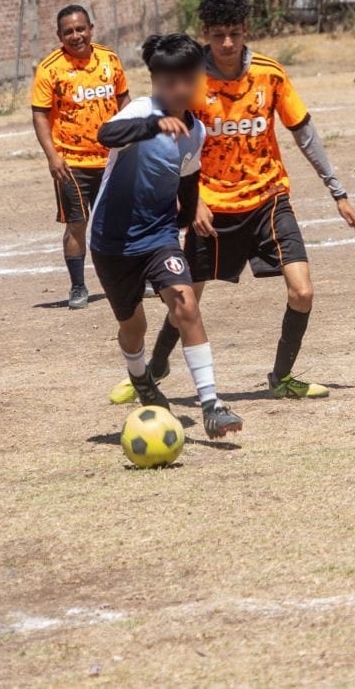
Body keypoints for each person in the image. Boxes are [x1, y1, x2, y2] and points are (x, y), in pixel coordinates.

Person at [109, 0, 355, 406]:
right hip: (212, 206)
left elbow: (304, 133)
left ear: (246, 30)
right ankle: (153, 370)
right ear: (205, 33)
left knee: (303, 292)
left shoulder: (269, 74)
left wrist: (339, 192)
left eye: (235, 33)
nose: (227, 43)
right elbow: (170, 146)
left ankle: (281, 377)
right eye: (218, 34)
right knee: (183, 301)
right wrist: (190, 203)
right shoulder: (190, 82)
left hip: (268, 199)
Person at [90, 33, 242, 440]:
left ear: (199, 79)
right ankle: (141, 378)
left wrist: (188, 218)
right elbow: (106, 135)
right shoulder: (142, 110)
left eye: (186, 80)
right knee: (133, 326)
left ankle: (211, 404)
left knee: (185, 303)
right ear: (155, 81)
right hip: (112, 240)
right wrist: (152, 124)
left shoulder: (196, 132)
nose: (178, 90)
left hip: (159, 236)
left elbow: (188, 181)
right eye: (167, 81)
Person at [31, 5, 130, 310]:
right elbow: (40, 115)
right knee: (77, 223)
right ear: (59, 35)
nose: (76, 36)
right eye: (68, 31)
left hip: (111, 159)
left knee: (123, 220)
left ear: (91, 28)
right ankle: (78, 287)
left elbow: (124, 98)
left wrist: (129, 138)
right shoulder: (50, 68)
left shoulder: (109, 59)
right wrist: (52, 156)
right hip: (71, 162)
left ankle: (136, 279)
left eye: (80, 29)